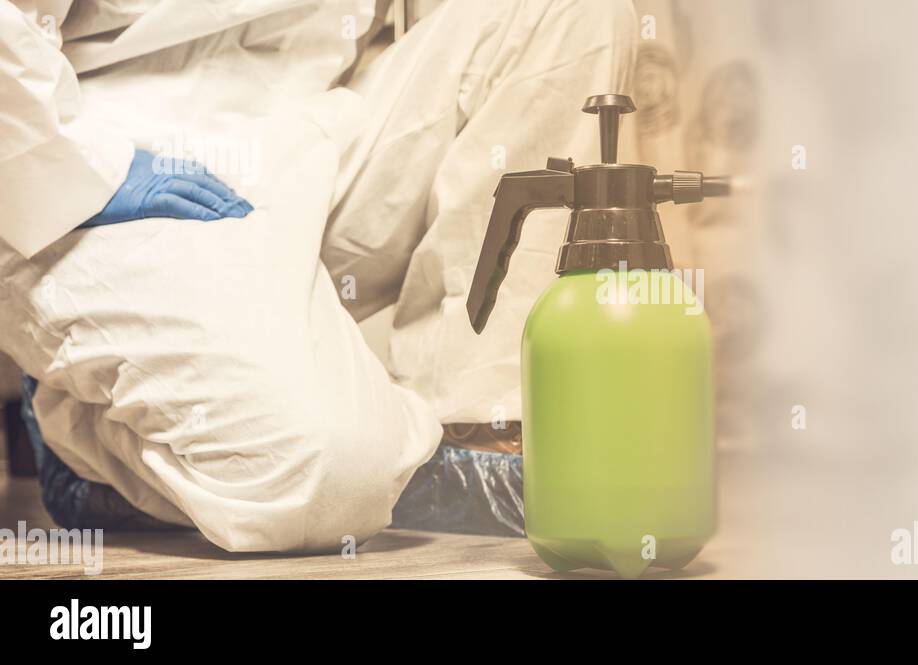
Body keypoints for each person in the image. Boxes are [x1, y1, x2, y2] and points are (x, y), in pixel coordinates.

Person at [0, 0, 635, 551]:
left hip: (318, 123)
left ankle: (476, 432)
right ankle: (85, 444)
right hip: (115, 159)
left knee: (573, 11)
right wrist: (79, 165)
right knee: (325, 477)